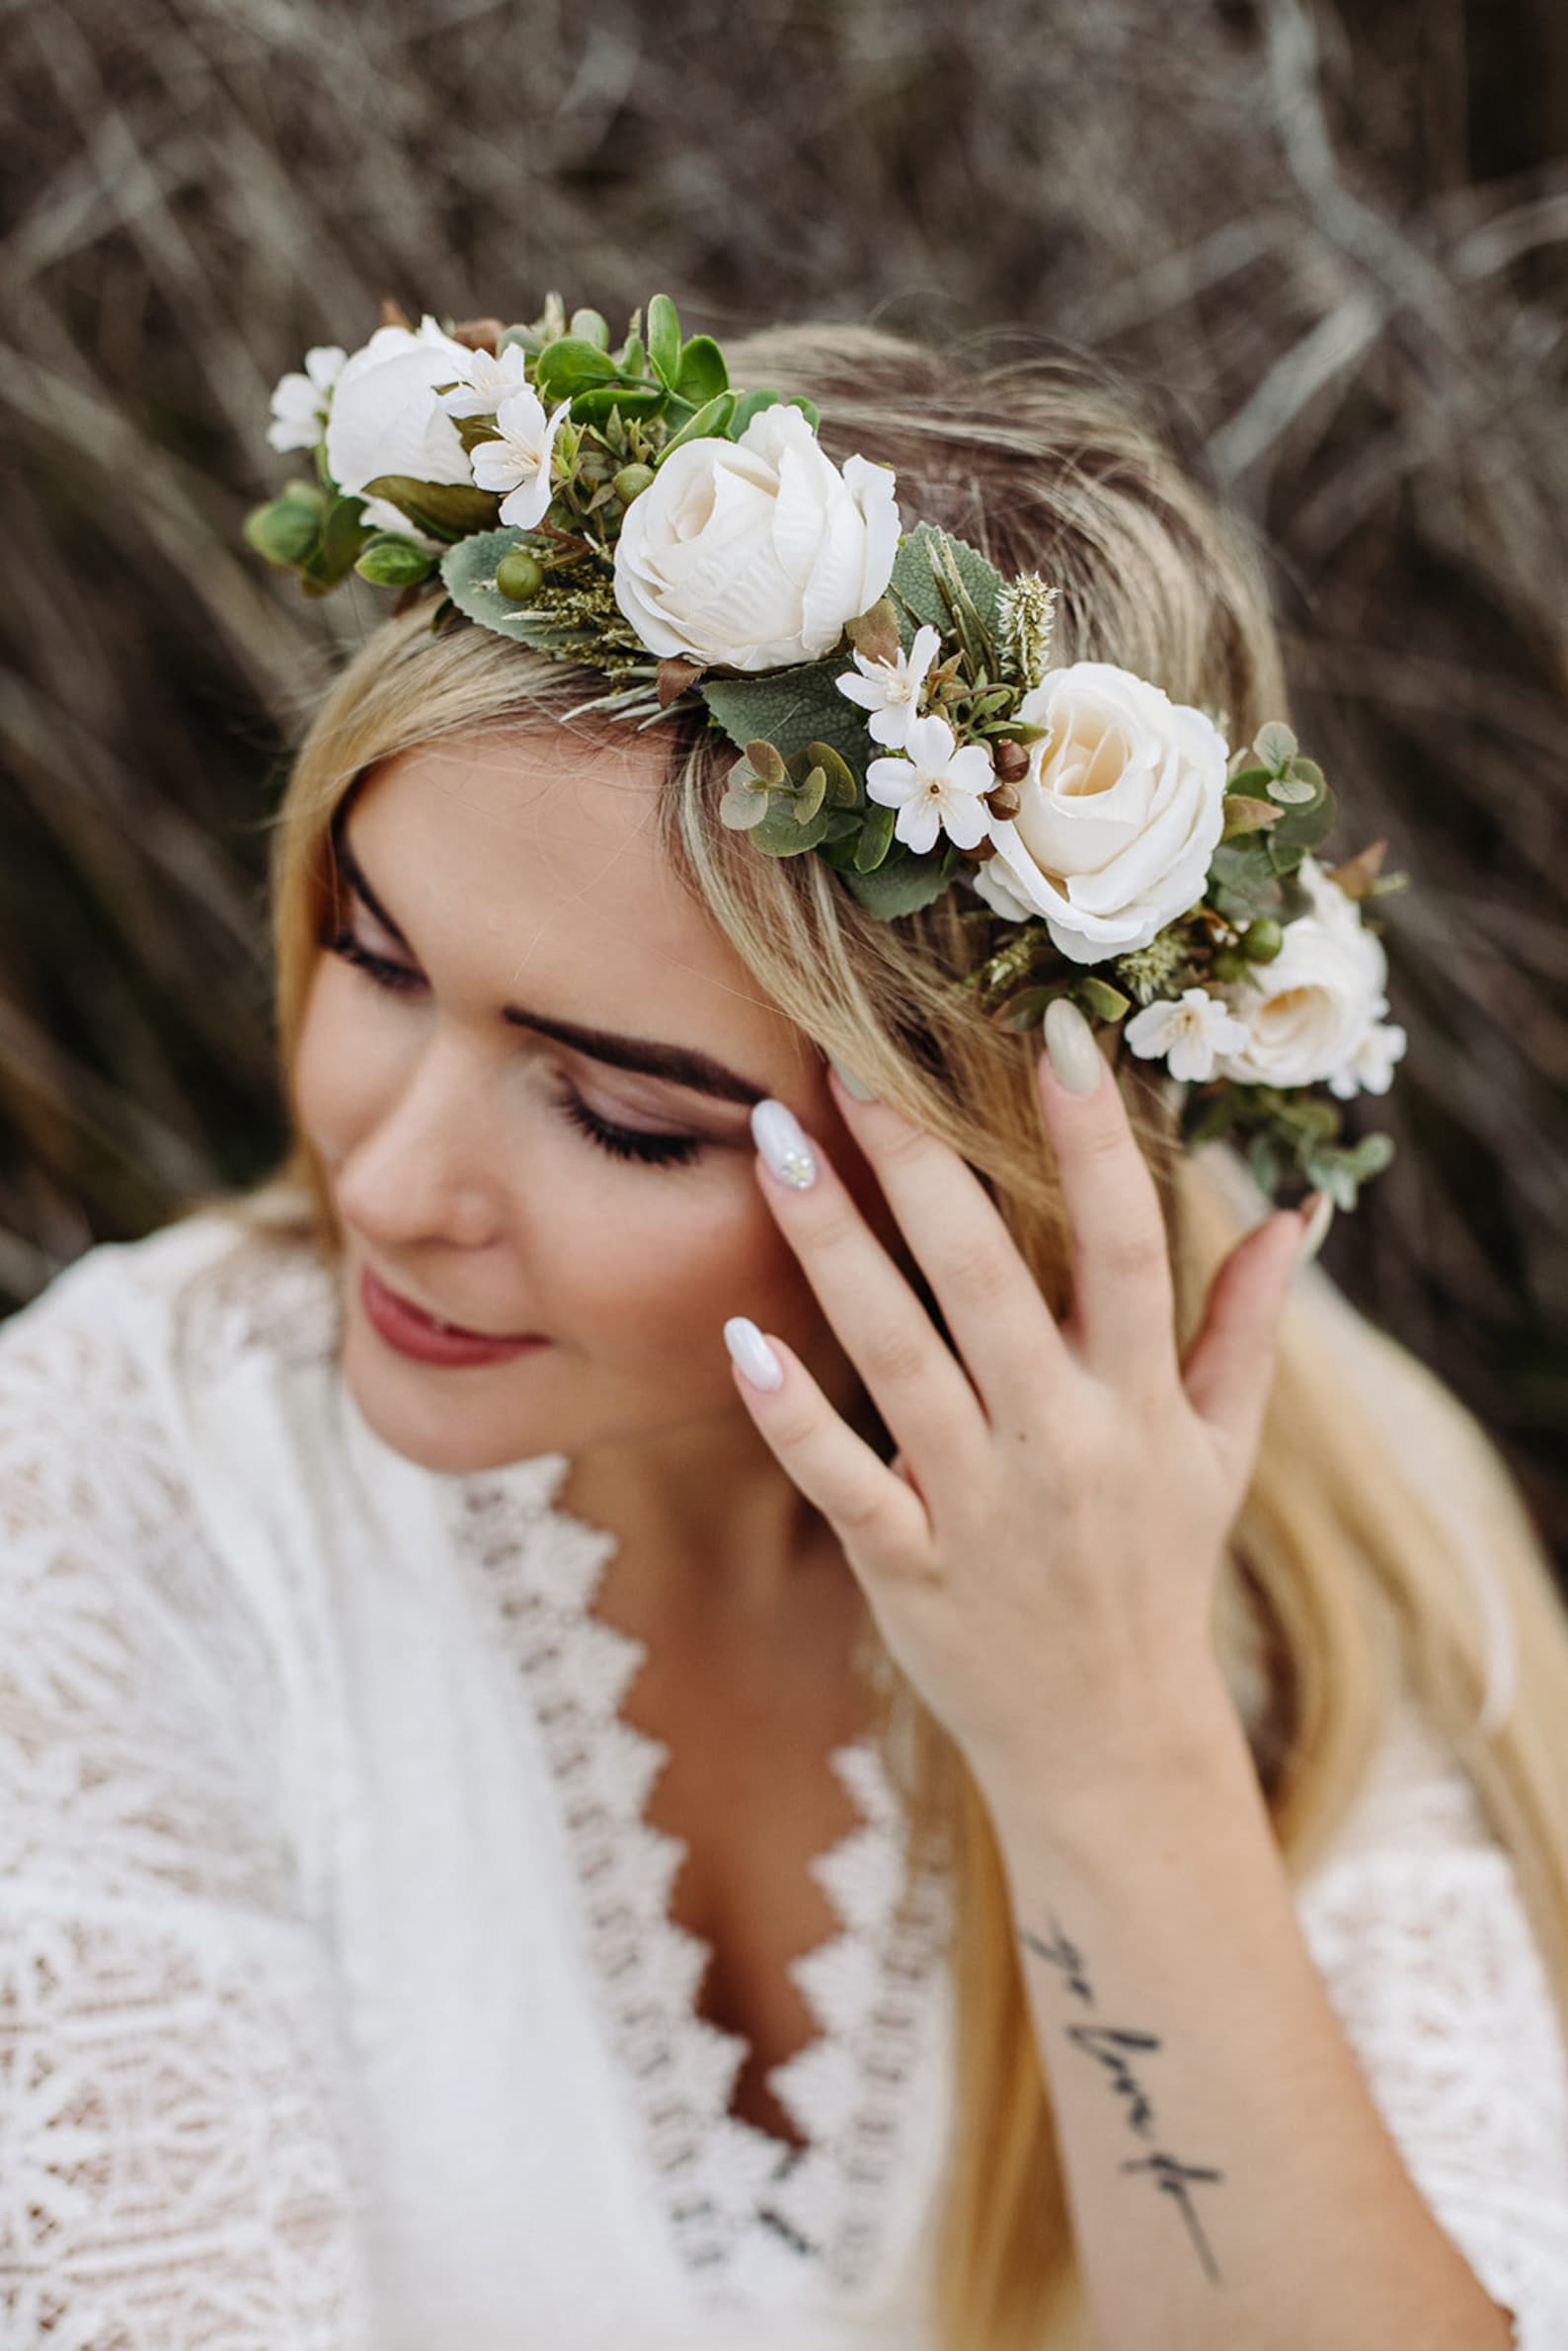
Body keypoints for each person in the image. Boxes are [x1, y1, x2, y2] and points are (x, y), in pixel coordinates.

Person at [3, 311, 1567, 2351]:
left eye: (621, 1115)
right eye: (372, 959)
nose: (387, 1182)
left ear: (989, 1170)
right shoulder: (123, 1475)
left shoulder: (1324, 1554)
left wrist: (1106, 1756)